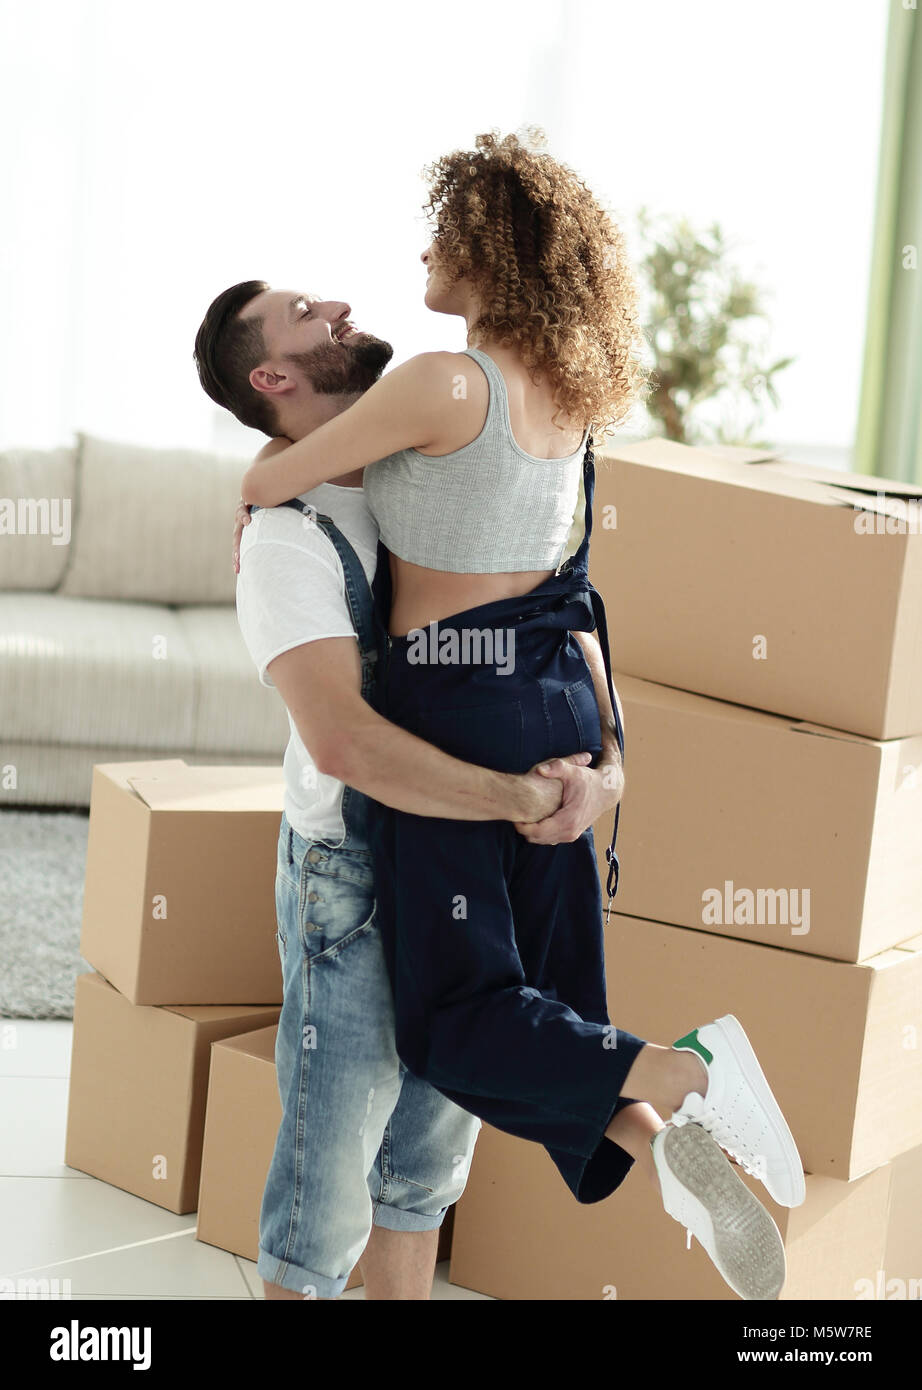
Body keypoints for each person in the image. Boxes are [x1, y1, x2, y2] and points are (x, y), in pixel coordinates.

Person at [231, 130, 805, 1302]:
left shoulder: (445, 380)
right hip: (549, 700)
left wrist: (256, 497)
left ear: (494, 248)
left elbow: (266, 477)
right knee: (537, 1003)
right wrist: (604, 764)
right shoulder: (568, 402)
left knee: (457, 1023)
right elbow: (572, 595)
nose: (425, 254)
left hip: (452, 712)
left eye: (447, 230)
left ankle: (683, 1073)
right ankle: (651, 1133)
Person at [195, 280, 620, 1301]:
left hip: (463, 853)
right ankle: (670, 1083)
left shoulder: (416, 462)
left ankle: (658, 1089)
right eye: (305, 312)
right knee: (321, 1208)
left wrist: (606, 767)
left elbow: (552, 607)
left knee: (421, 1178)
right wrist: (522, 803)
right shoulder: (290, 533)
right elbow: (344, 743)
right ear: (273, 376)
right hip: (356, 877)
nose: (338, 303)